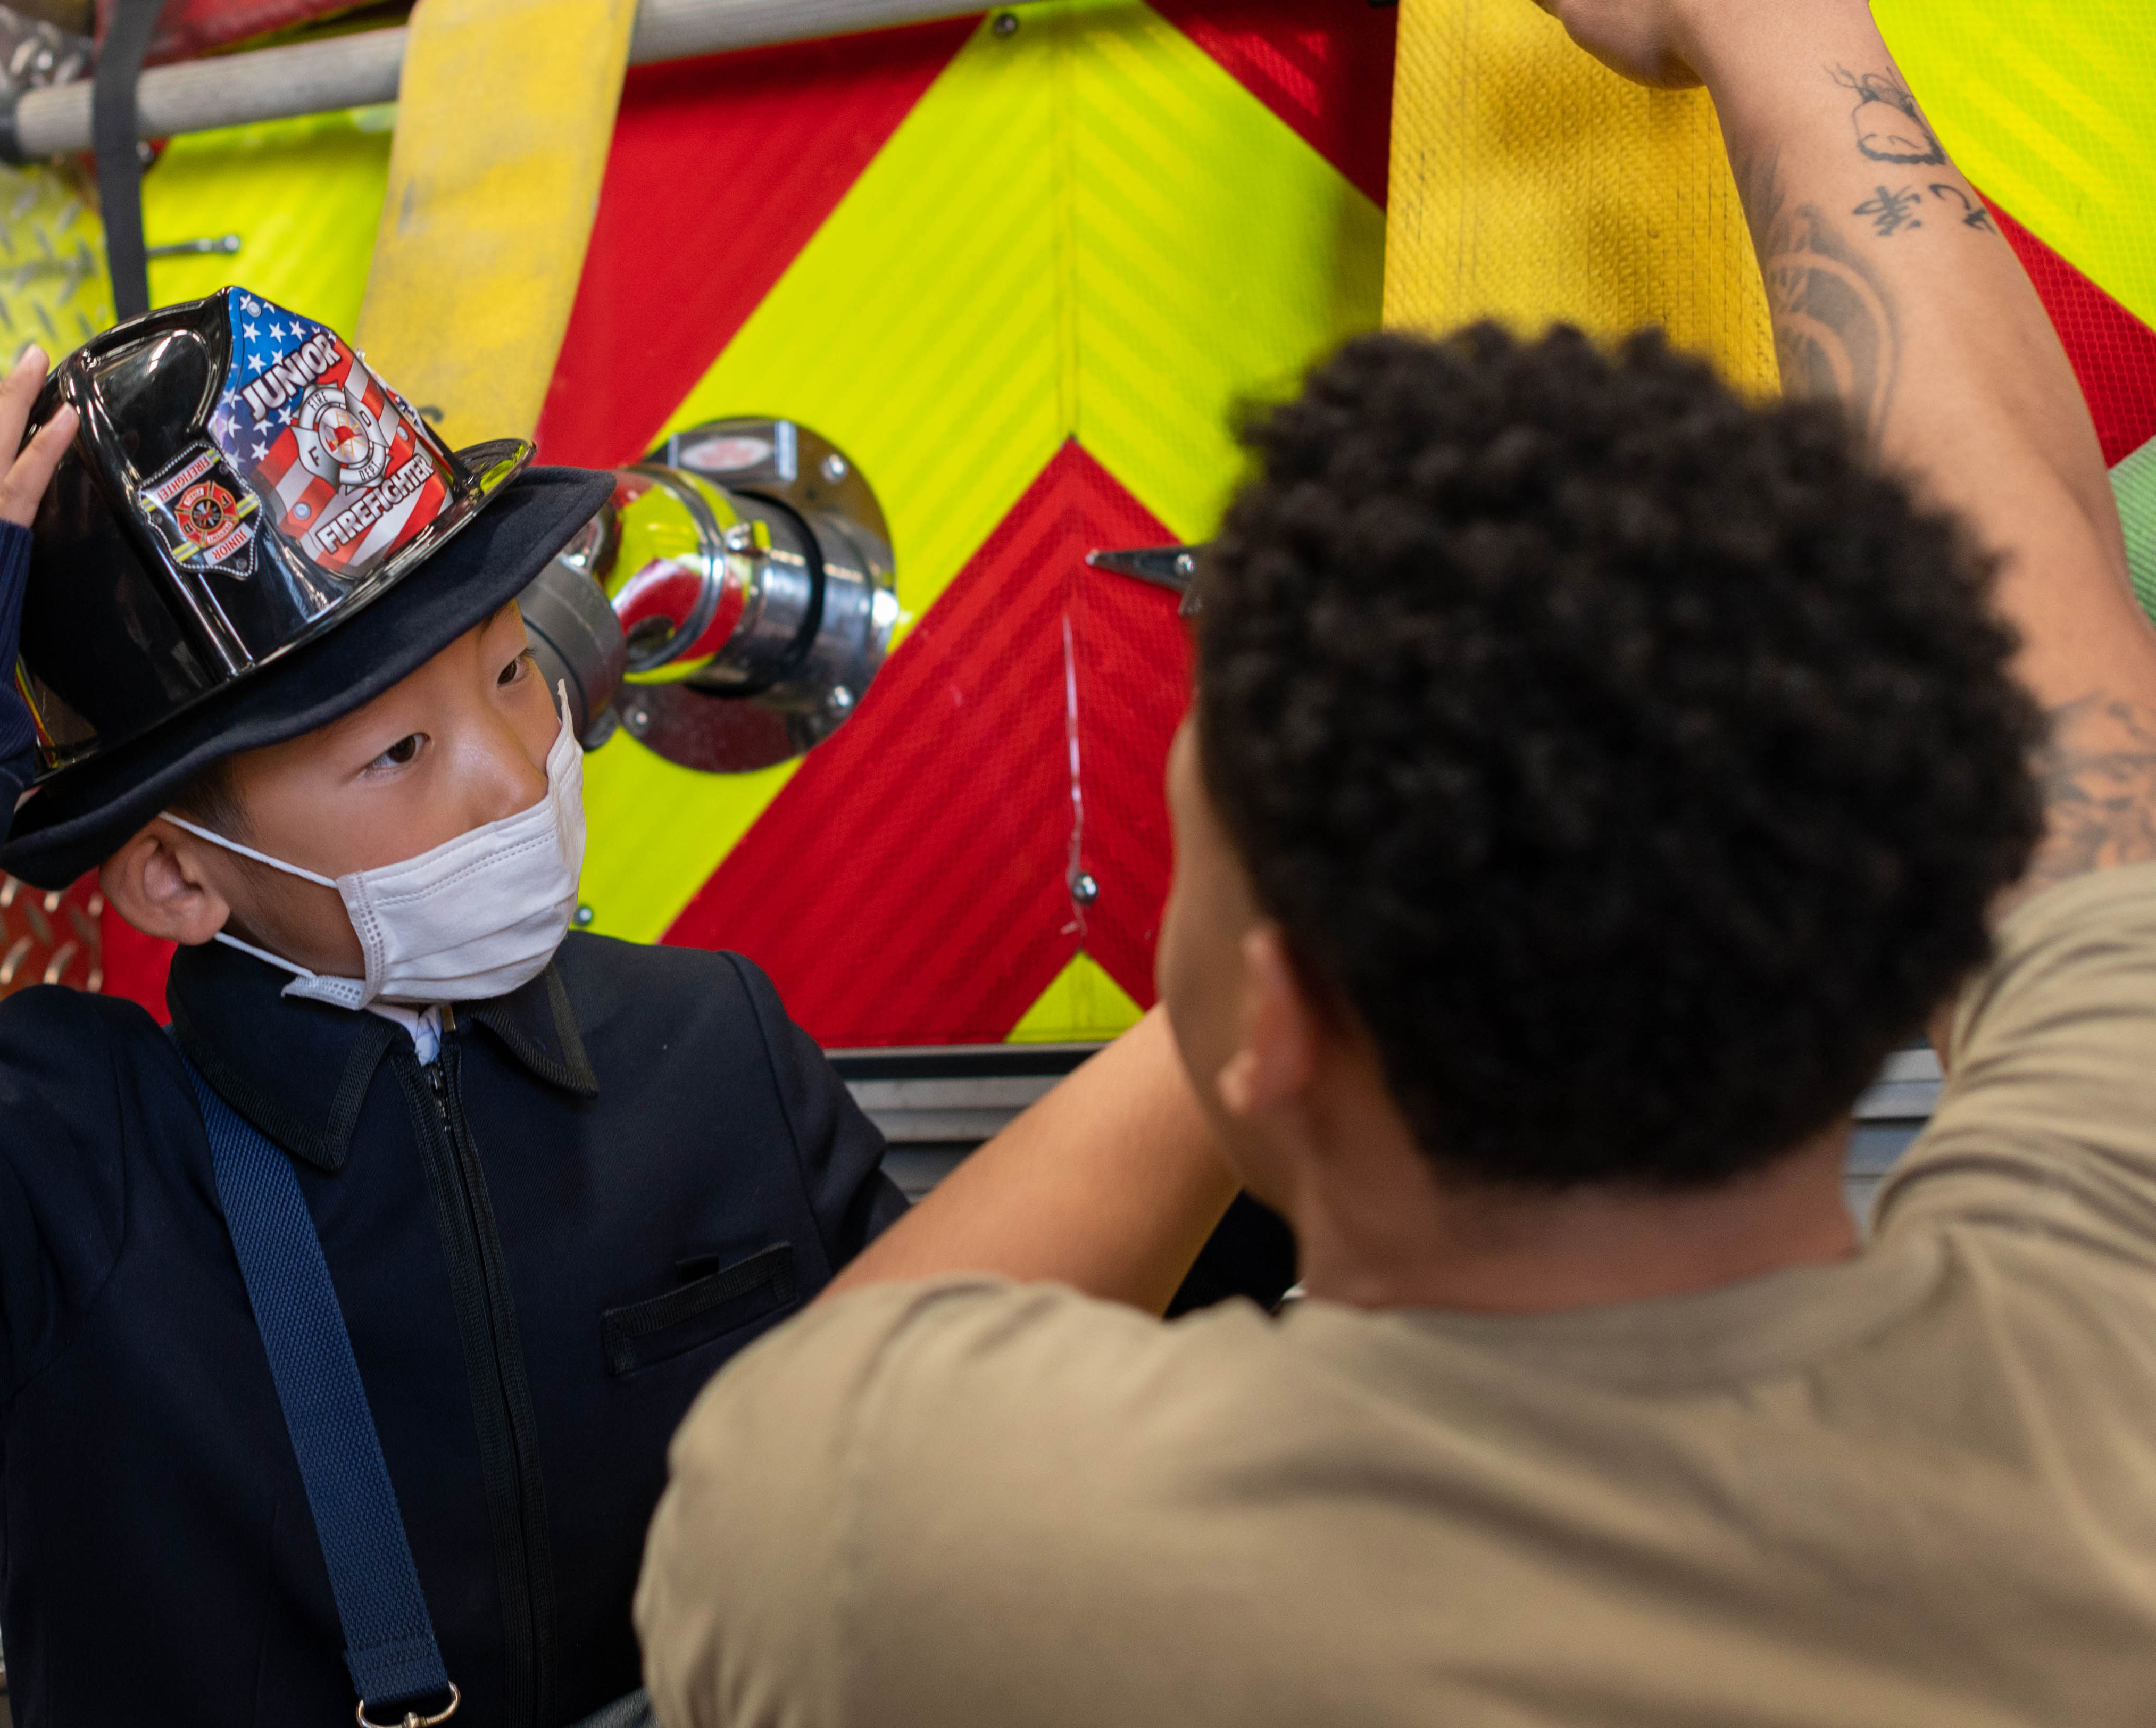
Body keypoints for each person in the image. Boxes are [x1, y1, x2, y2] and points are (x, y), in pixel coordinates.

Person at [631, 0, 2156, 1721]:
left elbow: (850, 1373)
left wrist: (1347, 913)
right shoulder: (2113, 1383)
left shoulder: (897, 1555)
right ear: (1879, 934)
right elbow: (2067, 704)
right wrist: (1776, 34)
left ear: (1270, 1016)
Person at [0, 291, 914, 1728]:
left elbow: (940, 1429)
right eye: (400, 752)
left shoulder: (713, 1047)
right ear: (180, 876)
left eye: (511, 673)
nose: (510, 773)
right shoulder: (77, 1157)